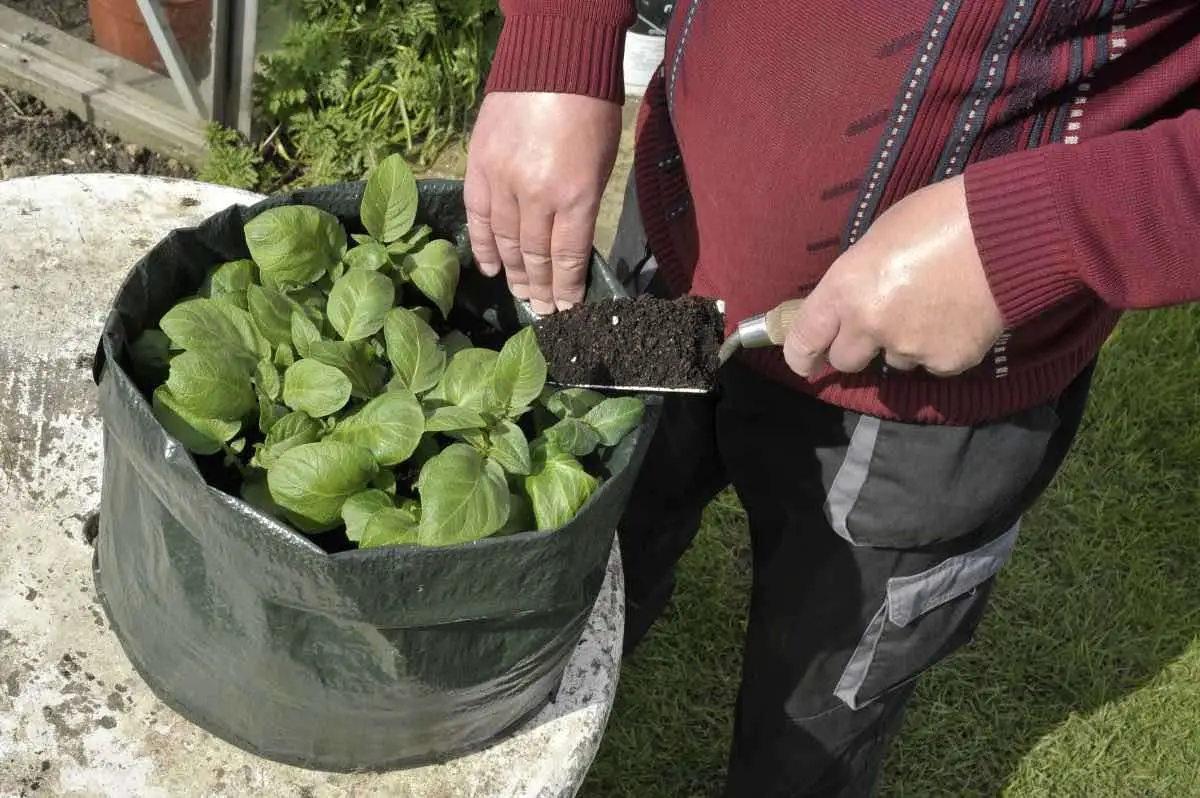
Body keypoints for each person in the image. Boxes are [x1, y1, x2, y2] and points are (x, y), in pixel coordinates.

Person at [464, 2, 1200, 795]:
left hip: (924, 393)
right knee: (600, 537)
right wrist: (563, 36)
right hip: (677, 235)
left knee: (818, 709)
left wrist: (1049, 230)